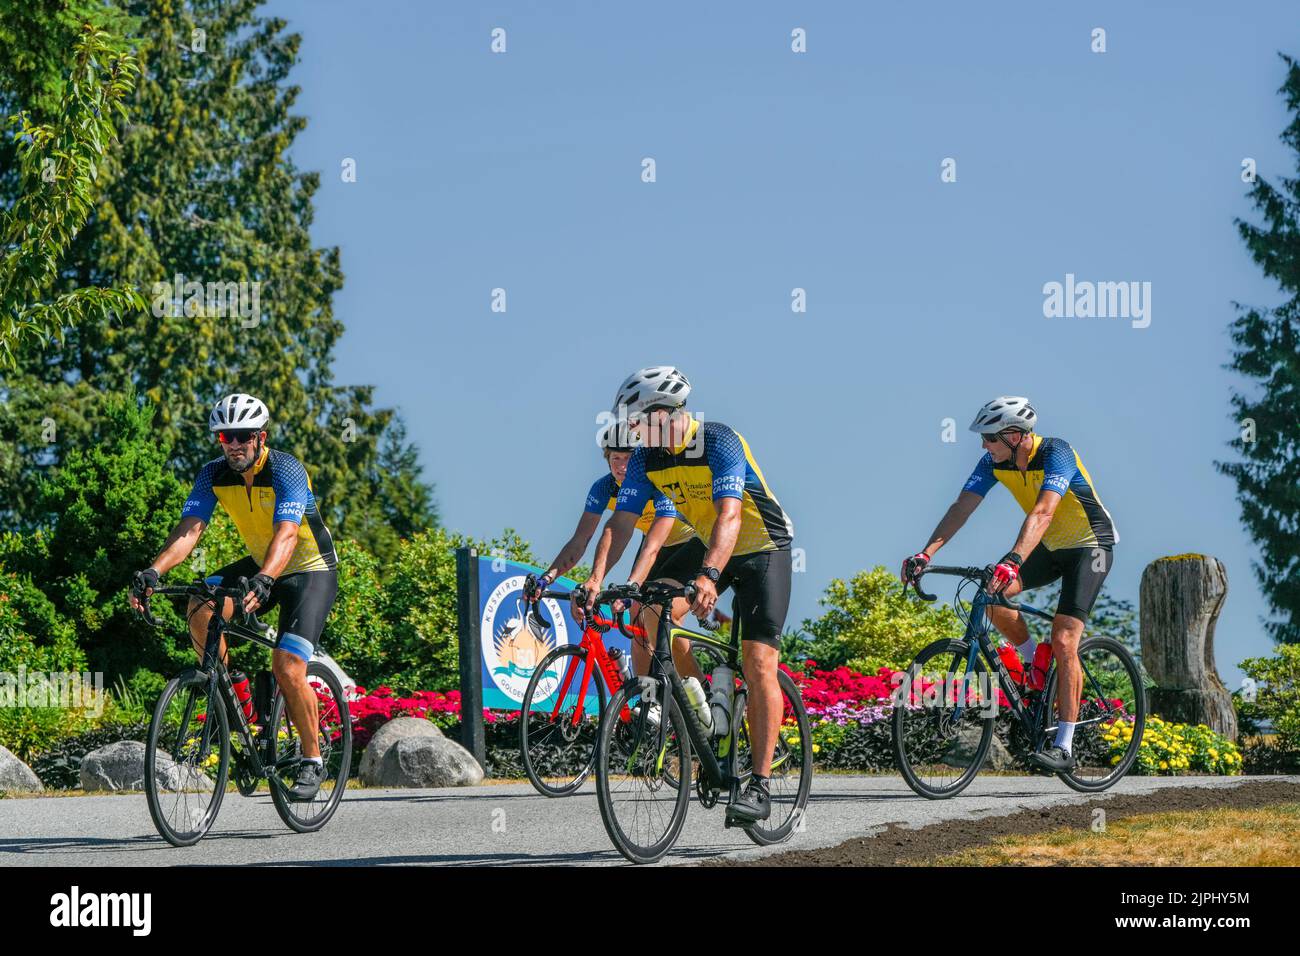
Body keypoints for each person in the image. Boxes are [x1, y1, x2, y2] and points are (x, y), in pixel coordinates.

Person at [582, 366, 794, 823]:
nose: (632, 431)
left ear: (661, 414)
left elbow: (731, 516)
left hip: (762, 548)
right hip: (708, 546)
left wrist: (710, 575)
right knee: (651, 610)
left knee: (758, 663)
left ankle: (757, 785)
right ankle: (700, 704)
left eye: (636, 420)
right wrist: (597, 579)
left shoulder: (718, 440)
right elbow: (621, 524)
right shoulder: (645, 458)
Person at [128, 394, 339, 801]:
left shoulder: (286, 469)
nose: (233, 444)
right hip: (262, 564)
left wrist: (263, 579)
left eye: (242, 436)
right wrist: (154, 571)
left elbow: (288, 533)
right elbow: (190, 529)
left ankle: (312, 759)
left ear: (261, 437)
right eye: (226, 436)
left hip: (309, 569)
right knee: (200, 604)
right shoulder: (212, 474)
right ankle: (232, 695)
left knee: (288, 664)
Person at [900, 396, 1118, 771]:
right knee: (991, 596)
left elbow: (1044, 511)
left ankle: (1064, 745)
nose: (984, 446)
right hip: (1049, 548)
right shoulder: (993, 463)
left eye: (990, 438)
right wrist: (926, 554)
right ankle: (1035, 661)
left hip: (1089, 547)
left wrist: (1014, 559)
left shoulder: (1057, 454)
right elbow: (961, 508)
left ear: (1015, 435)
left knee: (1065, 638)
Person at [533, 422, 703, 629]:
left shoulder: (657, 483)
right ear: (607, 460)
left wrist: (632, 586)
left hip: (689, 543)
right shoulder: (604, 487)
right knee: (637, 623)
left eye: (629, 459)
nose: (622, 466)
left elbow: (653, 546)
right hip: (654, 545)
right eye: (616, 459)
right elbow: (580, 540)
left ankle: (672, 658)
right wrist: (547, 578)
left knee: (659, 618)